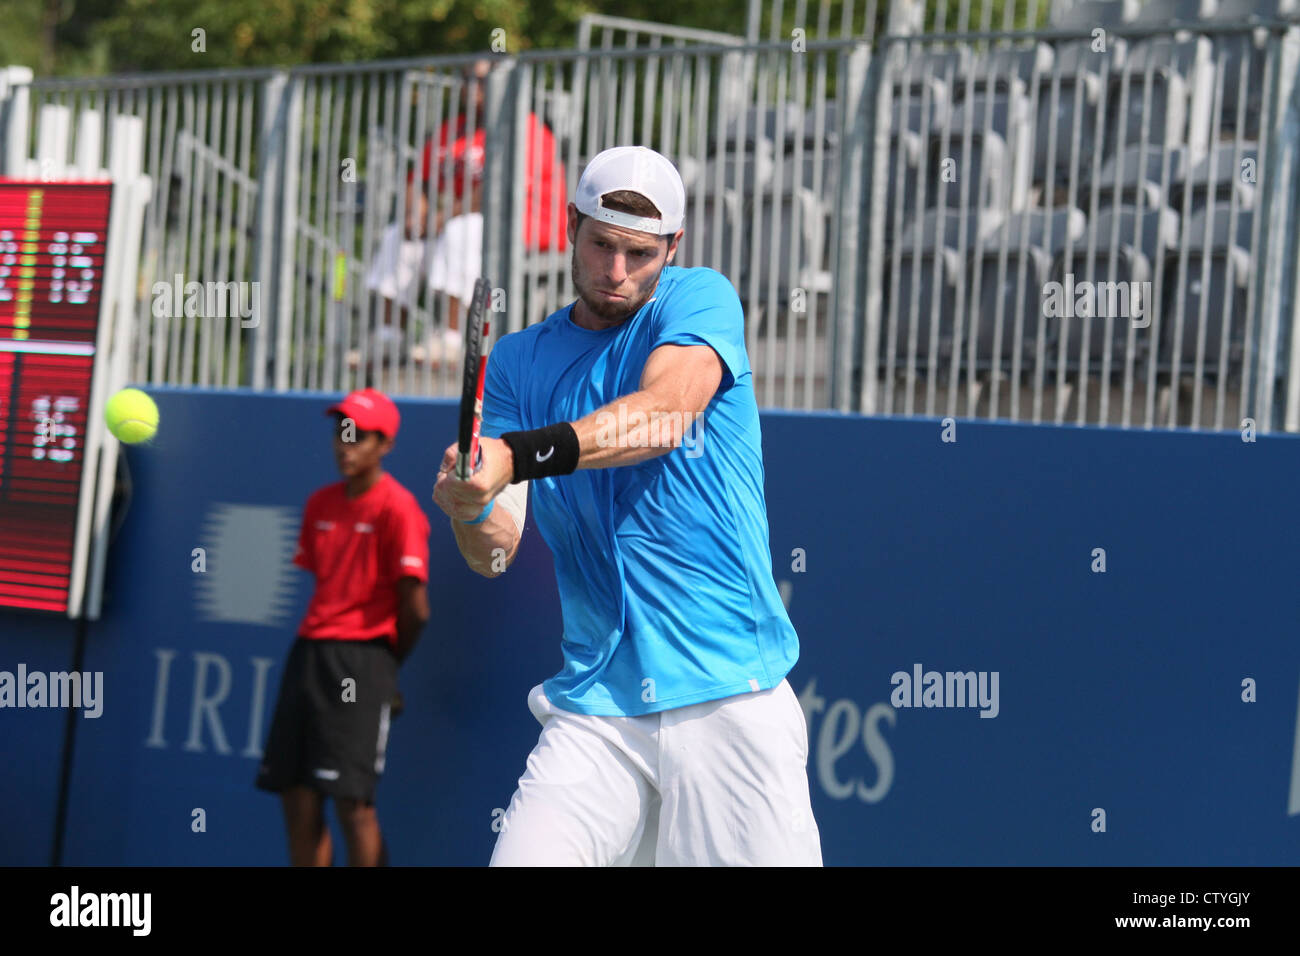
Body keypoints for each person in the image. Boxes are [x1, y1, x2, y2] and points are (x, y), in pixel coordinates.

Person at [431, 146, 822, 866]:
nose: (616, 271)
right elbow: (495, 552)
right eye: (601, 244)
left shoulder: (700, 298)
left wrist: (514, 455)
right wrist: (469, 503)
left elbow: (662, 417)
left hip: (729, 693)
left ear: (673, 247)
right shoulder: (518, 360)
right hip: (596, 705)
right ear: (571, 225)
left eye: (639, 253)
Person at [256, 388, 431, 866]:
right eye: (341, 433)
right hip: (309, 655)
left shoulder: (398, 509)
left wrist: (385, 670)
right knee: (297, 796)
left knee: (353, 803)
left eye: (358, 436)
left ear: (385, 444)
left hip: (364, 662)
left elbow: (415, 609)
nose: (345, 445)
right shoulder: (320, 505)